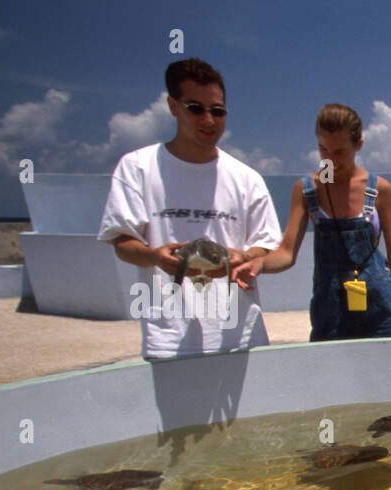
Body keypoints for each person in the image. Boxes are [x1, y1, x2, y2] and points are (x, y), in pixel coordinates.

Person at [98, 58, 281, 359]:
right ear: (173, 106)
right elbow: (121, 242)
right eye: (195, 108)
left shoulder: (248, 179)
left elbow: (267, 246)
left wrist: (244, 257)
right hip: (169, 340)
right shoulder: (137, 168)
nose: (208, 120)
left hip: (241, 337)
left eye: (218, 111)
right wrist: (155, 257)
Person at [232, 104, 391, 340]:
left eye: (339, 152)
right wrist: (258, 264)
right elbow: (286, 253)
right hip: (330, 310)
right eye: (323, 150)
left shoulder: (380, 190)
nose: (329, 160)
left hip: (379, 309)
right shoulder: (307, 190)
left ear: (358, 145)